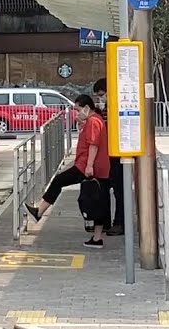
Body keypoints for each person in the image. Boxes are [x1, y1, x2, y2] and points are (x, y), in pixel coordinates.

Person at [25, 94, 109, 248]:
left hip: (87, 166)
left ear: (86, 108)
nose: (76, 113)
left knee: (59, 181)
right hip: (95, 166)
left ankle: (39, 212)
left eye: (77, 110)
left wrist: (89, 165)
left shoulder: (93, 122)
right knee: (99, 201)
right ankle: (97, 238)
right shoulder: (94, 120)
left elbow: (93, 145)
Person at [91, 78, 124, 236]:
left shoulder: (117, 107)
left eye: (102, 95)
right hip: (106, 155)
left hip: (117, 154)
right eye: (98, 96)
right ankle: (105, 222)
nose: (100, 99)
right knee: (103, 189)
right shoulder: (103, 110)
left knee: (119, 190)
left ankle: (119, 223)